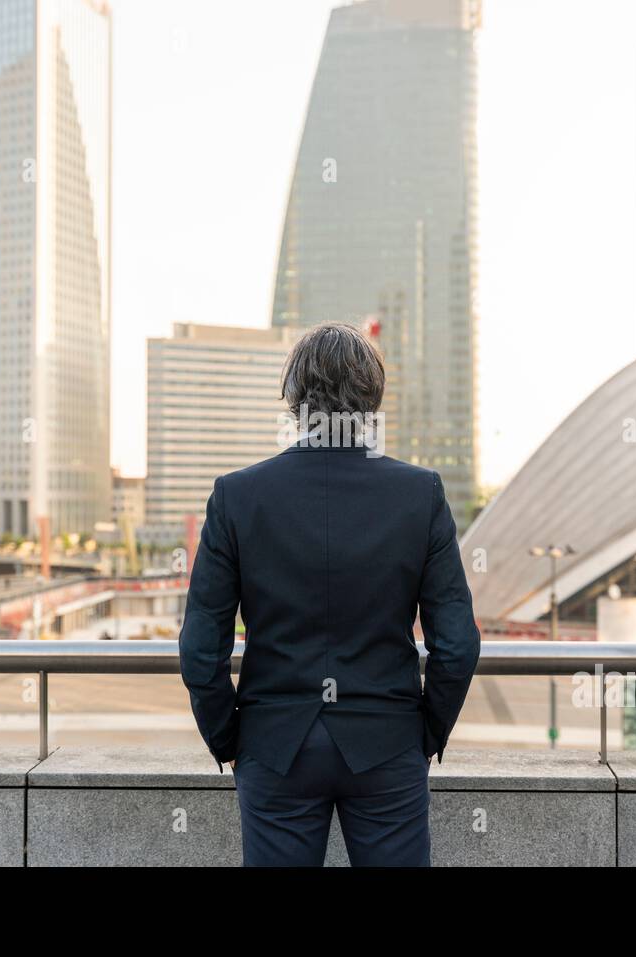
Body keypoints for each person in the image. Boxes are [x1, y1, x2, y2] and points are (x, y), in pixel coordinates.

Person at [178, 322, 480, 867]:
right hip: (387, 740)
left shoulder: (237, 495)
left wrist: (233, 738)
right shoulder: (421, 493)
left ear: (294, 401)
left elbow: (201, 648)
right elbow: (456, 645)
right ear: (373, 401)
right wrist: (422, 732)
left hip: (275, 744)